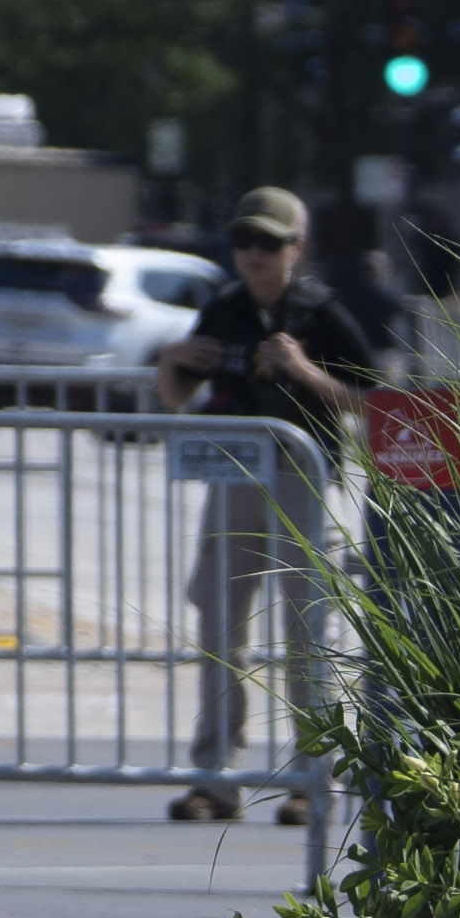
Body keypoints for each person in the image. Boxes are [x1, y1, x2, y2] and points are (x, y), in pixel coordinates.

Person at [160, 183, 381, 825]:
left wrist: (307, 371)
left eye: (267, 242)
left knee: (311, 632)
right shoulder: (223, 310)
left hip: (305, 482)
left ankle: (313, 781)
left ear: (296, 249)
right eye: (242, 241)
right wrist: (172, 361)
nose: (252, 254)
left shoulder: (322, 314)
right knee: (219, 622)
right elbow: (176, 395)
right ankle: (215, 777)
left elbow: (374, 403)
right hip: (234, 480)